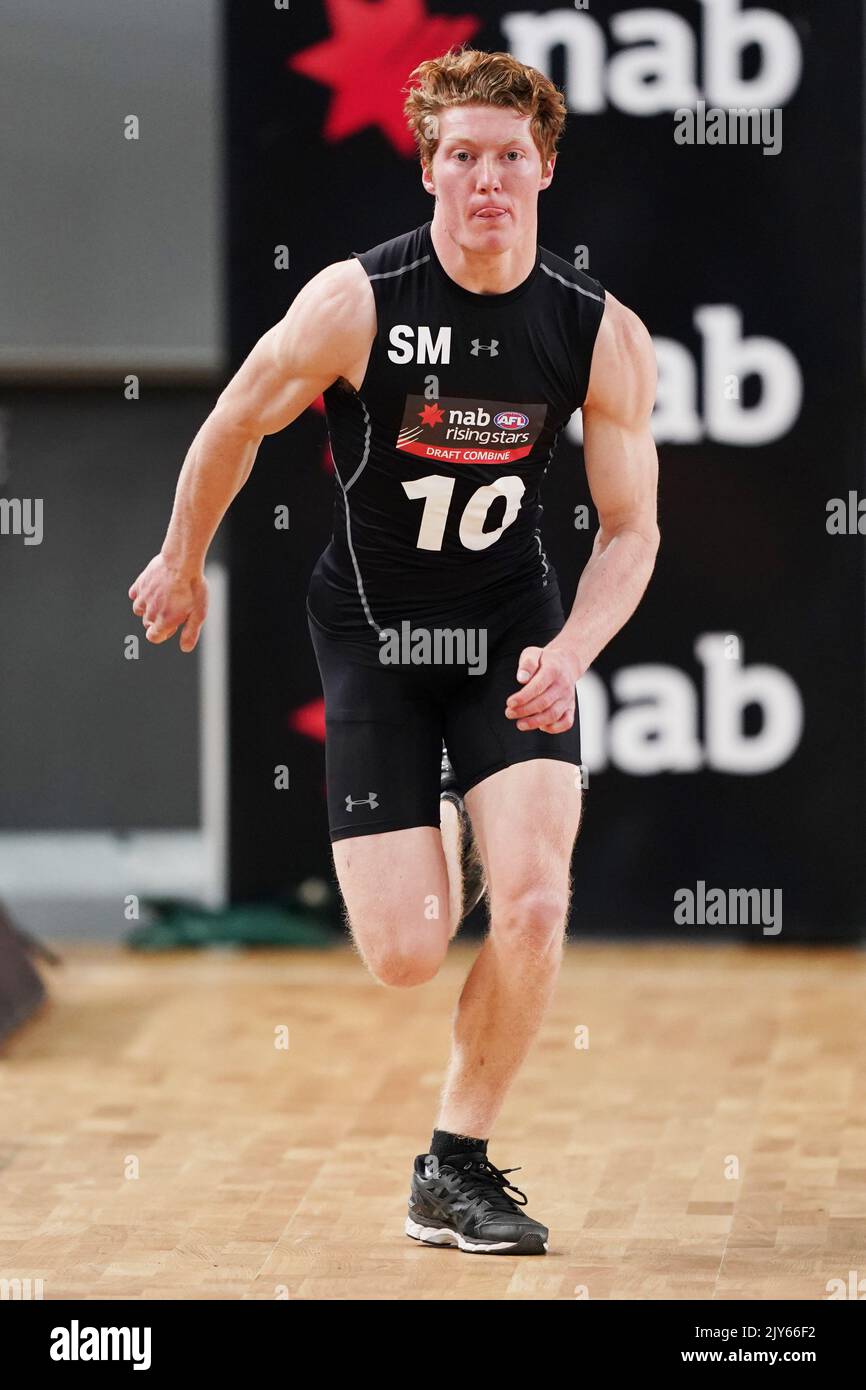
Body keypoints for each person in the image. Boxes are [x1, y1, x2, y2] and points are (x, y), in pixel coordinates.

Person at [128, 46, 659, 1257]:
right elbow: (234, 421)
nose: (485, 179)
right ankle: (434, 804)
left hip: (509, 630)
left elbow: (630, 531)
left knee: (530, 901)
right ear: (427, 167)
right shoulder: (355, 302)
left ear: (545, 172)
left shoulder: (596, 333)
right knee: (409, 951)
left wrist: (572, 648)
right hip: (371, 631)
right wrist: (178, 556)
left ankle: (452, 1164)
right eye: (461, 155)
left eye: (508, 157)